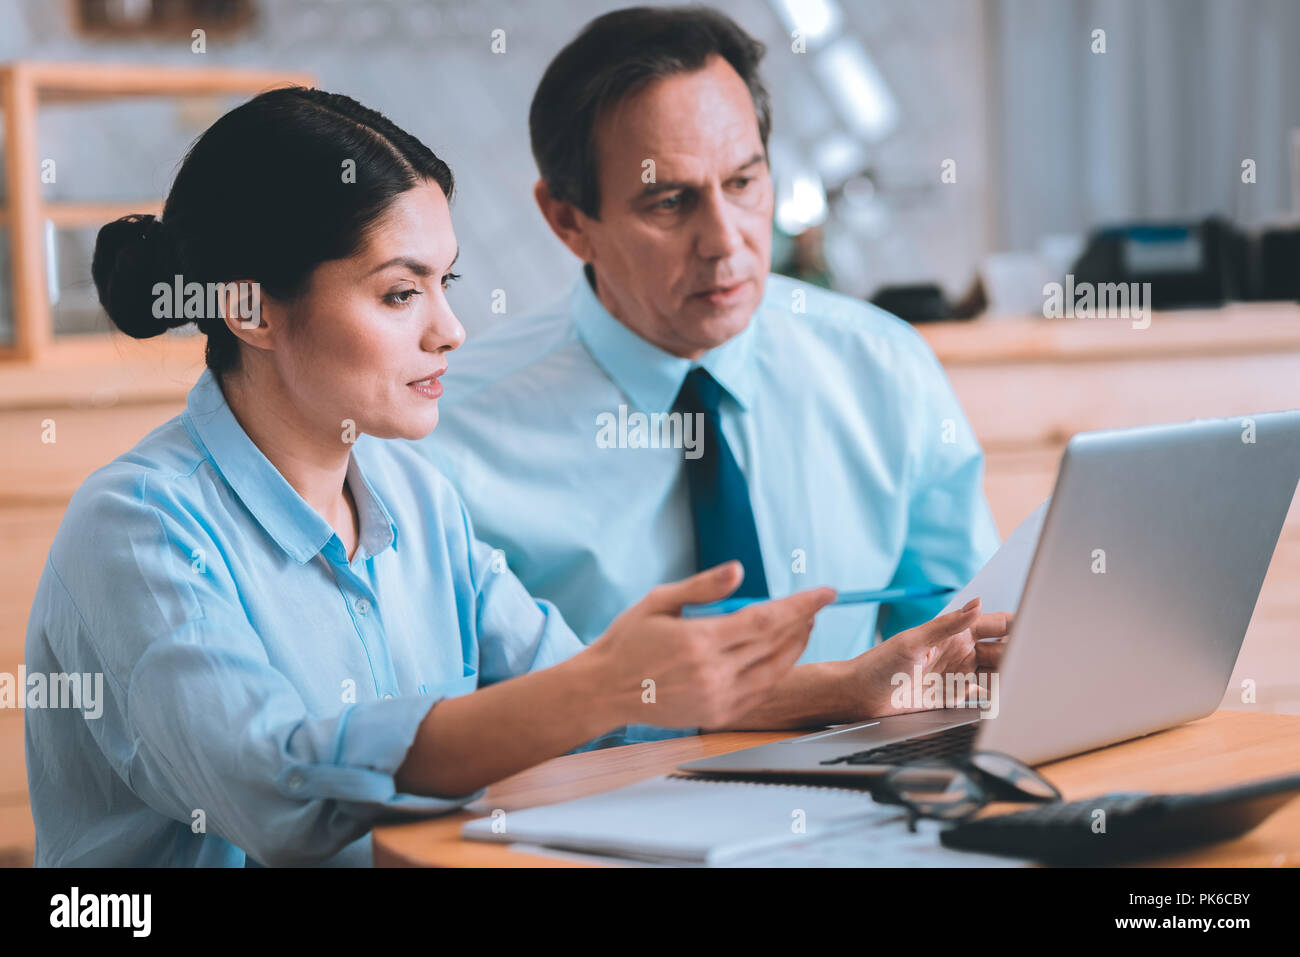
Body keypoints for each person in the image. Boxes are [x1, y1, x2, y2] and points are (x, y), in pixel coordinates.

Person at [25, 87, 1004, 867]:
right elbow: (278, 793)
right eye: (399, 292)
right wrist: (597, 688)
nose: (448, 330)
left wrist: (854, 688)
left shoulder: (414, 496)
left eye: (442, 287)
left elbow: (595, 705)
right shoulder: (140, 527)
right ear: (249, 308)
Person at [418, 5, 1002, 671]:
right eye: (669, 201)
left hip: (863, 768)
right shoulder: (453, 434)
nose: (726, 241)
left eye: (744, 182)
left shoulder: (885, 368)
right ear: (567, 220)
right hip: (600, 778)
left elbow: (961, 638)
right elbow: (448, 723)